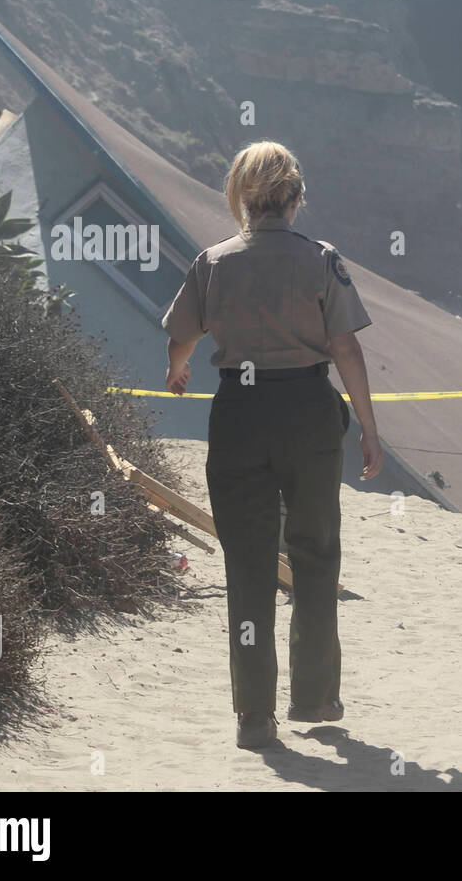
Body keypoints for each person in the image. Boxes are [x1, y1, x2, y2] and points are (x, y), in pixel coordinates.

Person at [161, 140, 383, 750]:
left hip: (239, 412)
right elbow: (346, 349)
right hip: (308, 412)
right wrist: (367, 426)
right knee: (314, 554)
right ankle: (313, 696)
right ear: (292, 196)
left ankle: (254, 714)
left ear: (242, 197)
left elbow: (182, 336)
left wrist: (178, 370)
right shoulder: (321, 260)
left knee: (248, 564)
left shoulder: (214, 261)